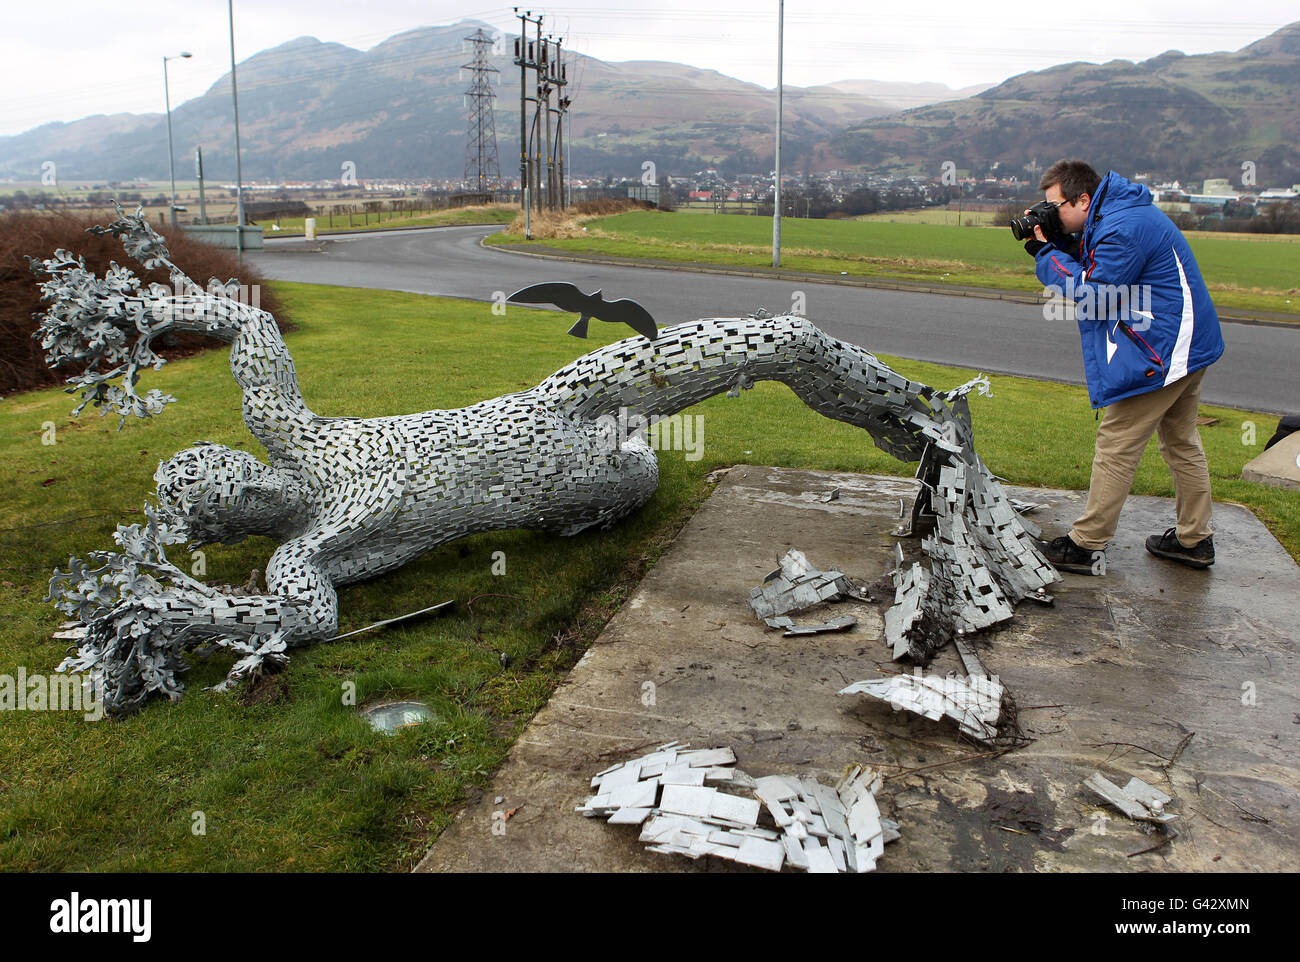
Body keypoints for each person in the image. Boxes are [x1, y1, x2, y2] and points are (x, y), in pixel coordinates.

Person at [1024, 159, 1225, 573]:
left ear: (1083, 198)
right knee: (1181, 441)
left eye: (1055, 206)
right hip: (1187, 343)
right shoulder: (1120, 213)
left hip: (1164, 349)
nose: (1051, 214)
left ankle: (1086, 544)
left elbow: (1095, 295)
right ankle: (1194, 540)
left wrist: (1048, 255)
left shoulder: (1122, 227)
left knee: (1117, 443)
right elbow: (1108, 265)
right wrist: (1064, 244)